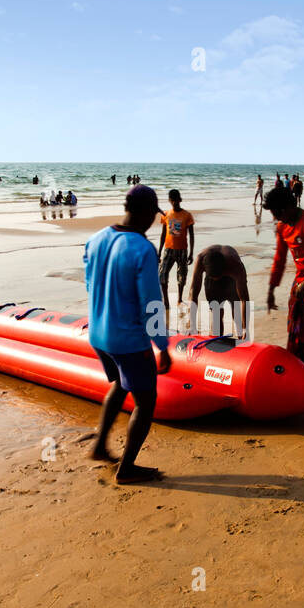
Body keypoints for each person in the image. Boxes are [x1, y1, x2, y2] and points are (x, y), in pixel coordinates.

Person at [83, 185, 172, 485]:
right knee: (146, 402)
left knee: (121, 386)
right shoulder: (141, 249)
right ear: (147, 212)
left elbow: (89, 283)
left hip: (98, 334)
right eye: (153, 215)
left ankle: (99, 446)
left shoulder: (95, 240)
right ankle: (127, 469)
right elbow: (151, 302)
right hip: (128, 340)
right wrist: (162, 345)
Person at [266, 184, 304, 368]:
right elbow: (279, 259)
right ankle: (298, 369)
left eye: (277, 212)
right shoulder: (282, 227)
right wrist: (271, 289)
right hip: (300, 279)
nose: (275, 217)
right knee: (294, 329)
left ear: (288, 207)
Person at [186, 245, 250, 338]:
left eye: (219, 277)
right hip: (211, 280)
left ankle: (241, 337)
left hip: (231, 279)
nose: (218, 279)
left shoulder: (235, 265)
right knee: (216, 313)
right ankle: (218, 341)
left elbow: (244, 299)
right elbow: (193, 293)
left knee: (236, 312)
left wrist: (246, 329)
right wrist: (192, 325)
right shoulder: (200, 260)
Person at [156, 189, 195, 318]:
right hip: (168, 249)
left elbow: (191, 235)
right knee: (162, 275)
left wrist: (191, 253)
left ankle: (179, 298)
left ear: (180, 200)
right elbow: (163, 234)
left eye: (176, 200)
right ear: (170, 201)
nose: (174, 203)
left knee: (182, 275)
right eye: (172, 201)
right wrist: (159, 251)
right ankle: (166, 301)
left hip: (182, 250)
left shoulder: (187, 215)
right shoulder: (166, 215)